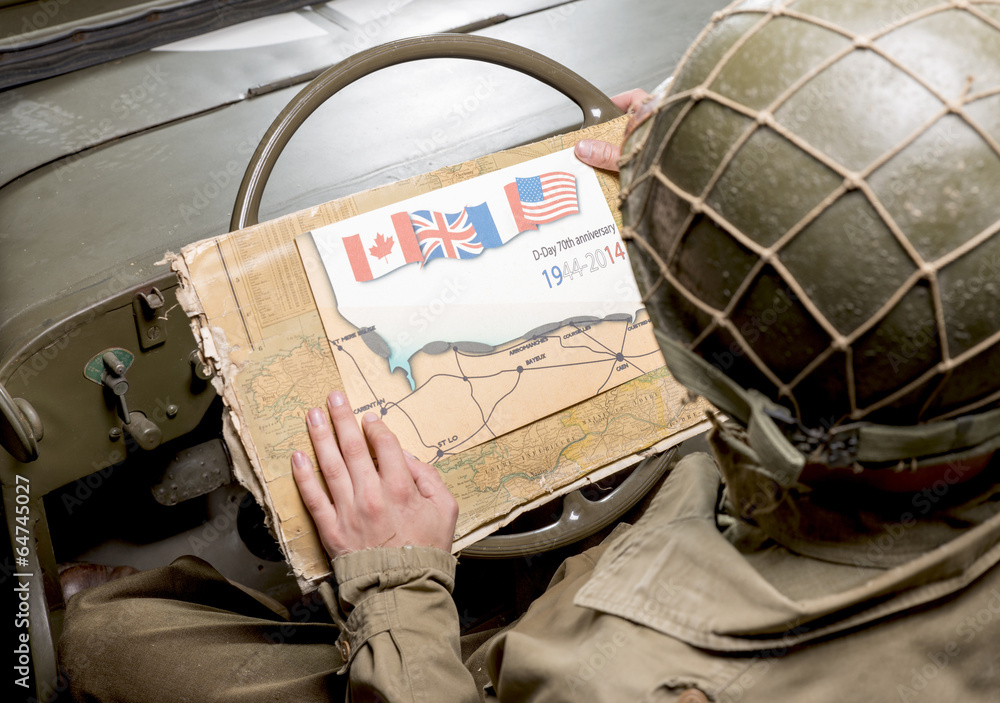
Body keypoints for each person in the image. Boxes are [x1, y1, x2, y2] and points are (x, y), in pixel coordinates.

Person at [61, 2, 1000, 700]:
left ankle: (104, 609)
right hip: (730, 539)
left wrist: (397, 588)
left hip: (502, 665)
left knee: (112, 642)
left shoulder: (616, 679)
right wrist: (723, 174)